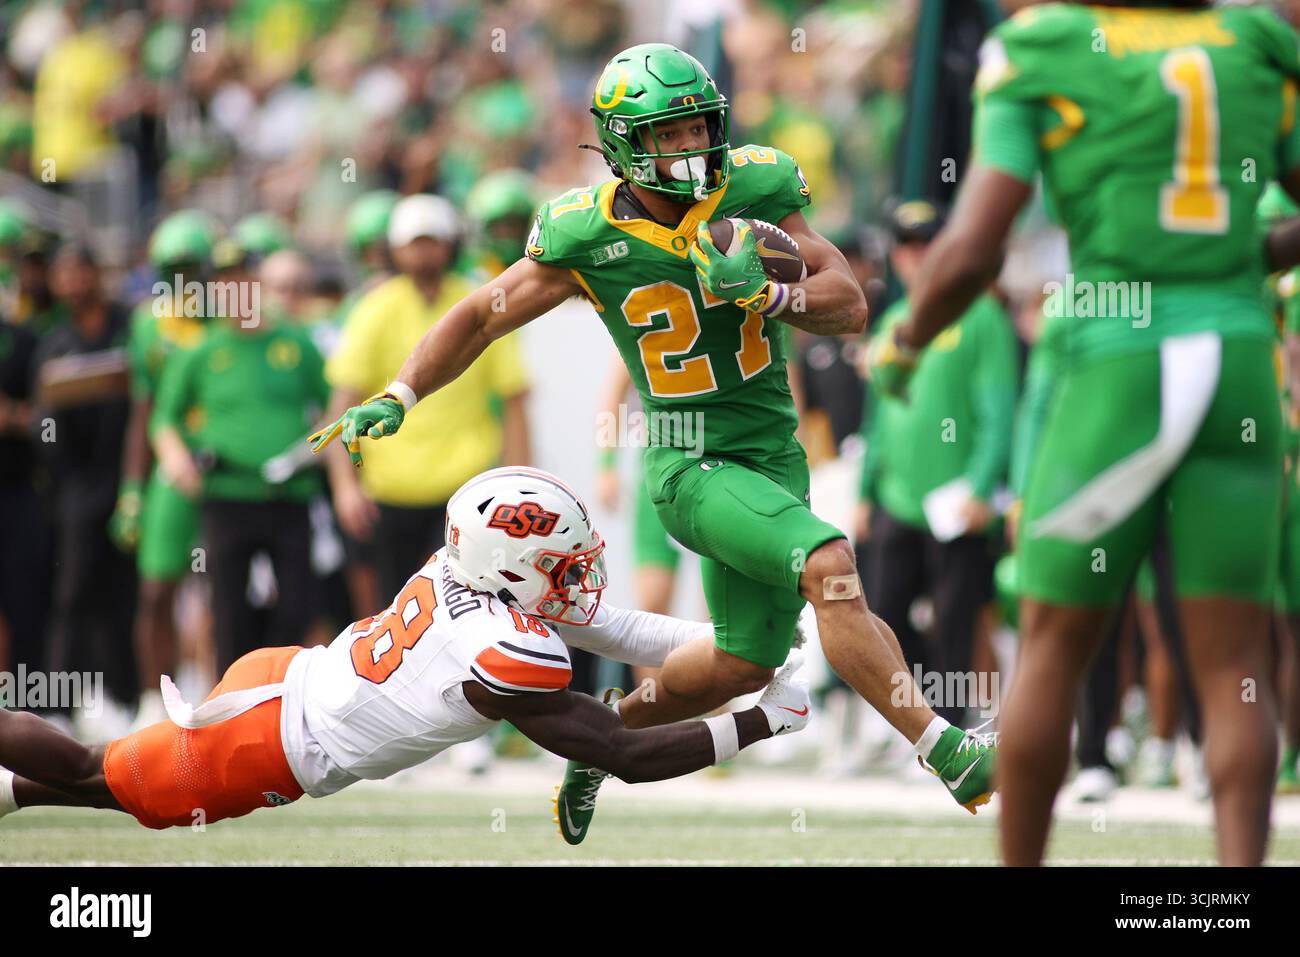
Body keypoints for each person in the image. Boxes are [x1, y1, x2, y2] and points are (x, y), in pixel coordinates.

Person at [310, 43, 999, 846]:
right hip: (687, 460)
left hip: (772, 451)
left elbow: (848, 303)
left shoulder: (755, 185)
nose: (694, 147)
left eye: (701, 126)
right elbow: (484, 313)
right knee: (830, 565)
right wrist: (401, 390)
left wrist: (772, 291)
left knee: (743, 665)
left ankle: (604, 739)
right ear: (625, 142)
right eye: (670, 134)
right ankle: (943, 747)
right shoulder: (585, 231)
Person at [868, 0, 1300, 865]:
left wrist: (904, 340)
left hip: (1119, 358)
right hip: (1241, 357)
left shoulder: (1044, 46)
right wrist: (1232, 263)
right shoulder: (1256, 41)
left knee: (1053, 649)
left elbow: (976, 245)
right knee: (1233, 667)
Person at [0, 468, 810, 831]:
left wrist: (743, 646)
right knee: (97, 773)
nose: (575, 582)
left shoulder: (464, 568)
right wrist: (760, 722)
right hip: (270, 739)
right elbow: (620, 751)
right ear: (514, 564)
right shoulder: (503, 653)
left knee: (114, 785)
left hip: (291, 677)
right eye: (562, 567)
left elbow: (620, 630)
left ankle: (8, 793)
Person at [321, 193, 532, 601]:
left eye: (431, 241)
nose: (423, 253)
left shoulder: (478, 300)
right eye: (414, 243)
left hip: (467, 492)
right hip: (391, 492)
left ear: (449, 243)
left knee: (473, 605)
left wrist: (518, 484)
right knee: (393, 609)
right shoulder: (375, 308)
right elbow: (342, 405)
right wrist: (346, 488)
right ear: (396, 250)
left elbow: (513, 400)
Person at [859, 199, 1017, 727]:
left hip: (954, 499)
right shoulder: (896, 320)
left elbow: (999, 412)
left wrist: (980, 487)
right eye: (906, 244)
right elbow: (880, 413)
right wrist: (864, 489)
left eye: (927, 242)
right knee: (883, 615)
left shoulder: (980, 314)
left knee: (955, 619)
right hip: (897, 495)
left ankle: (951, 723)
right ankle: (911, 725)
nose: (915, 254)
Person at [150, 247, 329, 672]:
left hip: (288, 492)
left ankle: (281, 691)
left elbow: (332, 405)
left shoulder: (295, 344)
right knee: (228, 607)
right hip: (227, 493)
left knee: (297, 604)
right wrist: (178, 461)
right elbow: (164, 417)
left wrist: (316, 448)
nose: (235, 291)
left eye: (243, 280)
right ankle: (232, 705)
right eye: (225, 283)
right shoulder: (202, 350)